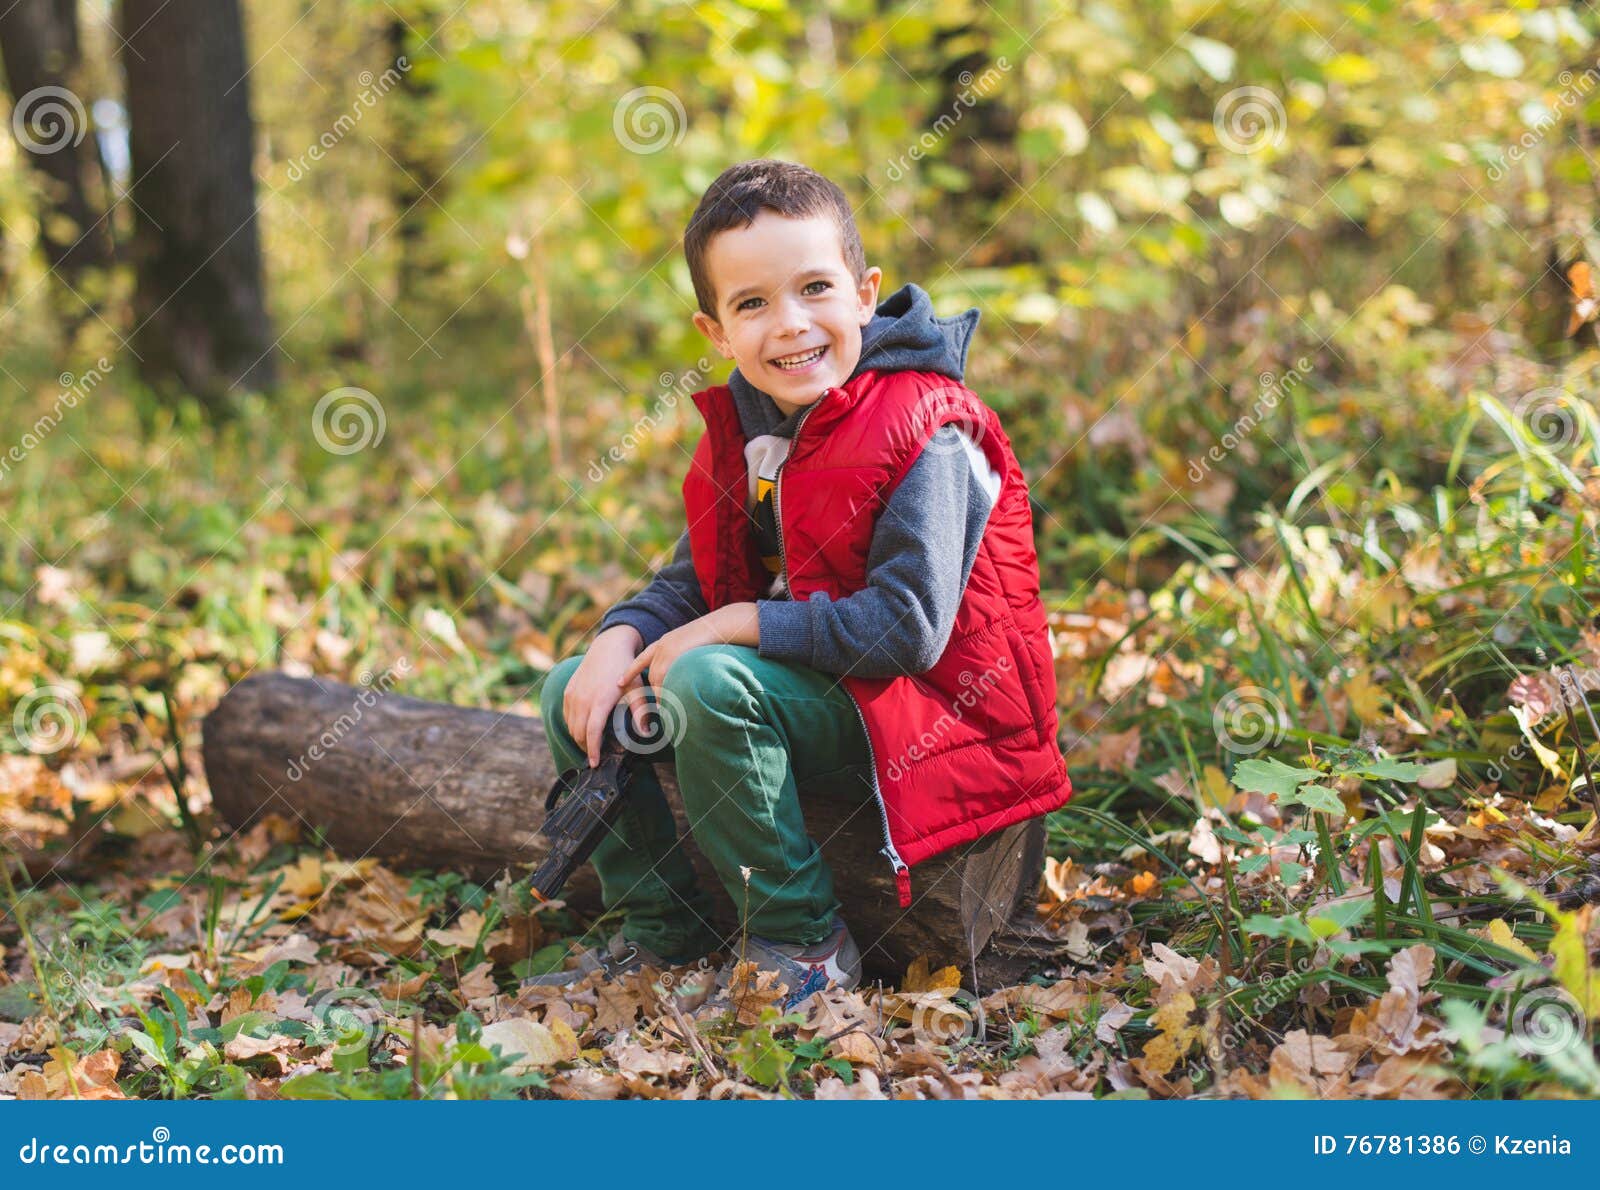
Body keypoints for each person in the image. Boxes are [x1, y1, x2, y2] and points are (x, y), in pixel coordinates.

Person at [528, 159, 1071, 1008]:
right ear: (714, 332)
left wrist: (736, 624)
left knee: (709, 679)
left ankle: (803, 942)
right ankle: (660, 935)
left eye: (814, 288)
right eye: (752, 304)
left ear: (865, 292)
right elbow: (693, 583)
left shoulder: (929, 428)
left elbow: (907, 629)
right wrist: (615, 641)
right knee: (577, 687)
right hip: (837, 699)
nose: (789, 325)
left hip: (939, 718)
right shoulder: (758, 433)